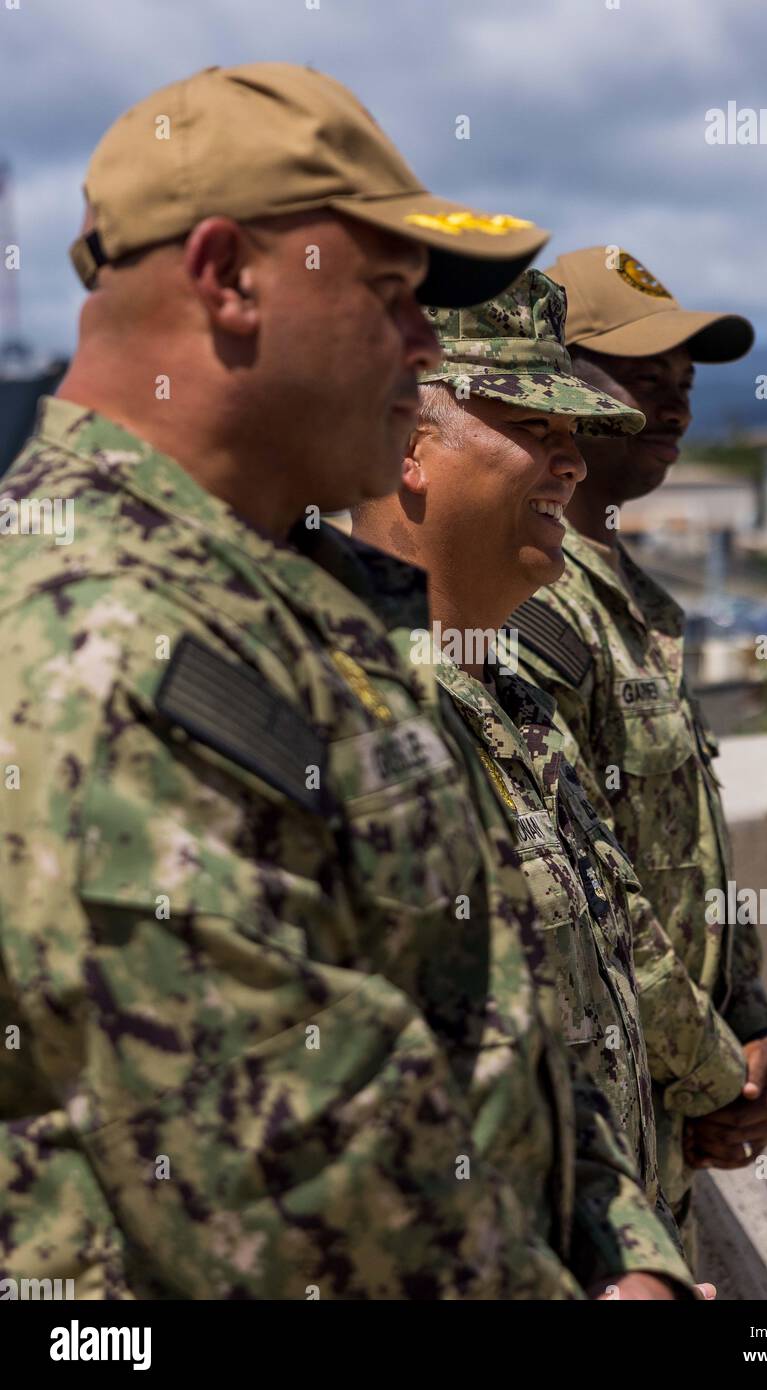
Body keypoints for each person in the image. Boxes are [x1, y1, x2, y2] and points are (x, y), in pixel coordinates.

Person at [0, 68, 685, 1301]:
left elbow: (490, 994)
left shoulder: (290, 592)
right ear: (226, 275)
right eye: (390, 295)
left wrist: (617, 1243)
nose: (426, 348)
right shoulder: (95, 631)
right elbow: (298, 1197)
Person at [352, 269, 741, 1295]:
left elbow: (607, 947)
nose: (571, 457)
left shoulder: (502, 689)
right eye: (532, 422)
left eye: (575, 427)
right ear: (408, 444)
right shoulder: (362, 715)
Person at [511, 246, 767, 1258]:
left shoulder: (634, 607)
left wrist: (760, 1023)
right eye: (644, 378)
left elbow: (687, 849)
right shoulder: (527, 607)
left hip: (661, 1129)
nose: (674, 408)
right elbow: (584, 893)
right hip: (593, 1135)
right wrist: (718, 1072)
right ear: (549, 379)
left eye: (684, 385)